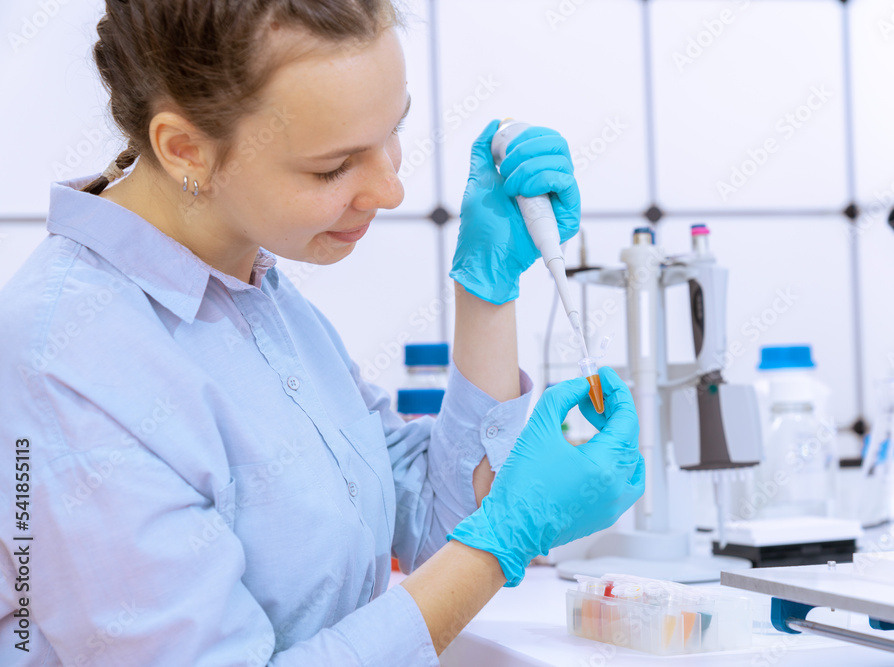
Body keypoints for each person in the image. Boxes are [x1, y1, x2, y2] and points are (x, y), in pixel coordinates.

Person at [0, 1, 645, 664]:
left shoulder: (254, 294)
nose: (390, 188)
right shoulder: (65, 363)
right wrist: (506, 535)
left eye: (392, 130)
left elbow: (434, 529)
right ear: (185, 149)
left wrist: (487, 290)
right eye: (332, 167)